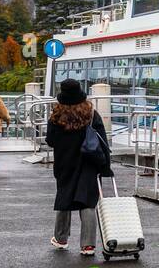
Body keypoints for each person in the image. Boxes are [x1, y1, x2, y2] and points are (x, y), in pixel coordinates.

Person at [45, 78, 111, 257]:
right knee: (87, 201)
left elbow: (50, 140)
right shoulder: (90, 113)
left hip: (65, 162)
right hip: (88, 162)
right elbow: (102, 140)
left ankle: (61, 239)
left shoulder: (56, 115)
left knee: (64, 198)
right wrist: (105, 164)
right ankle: (88, 245)